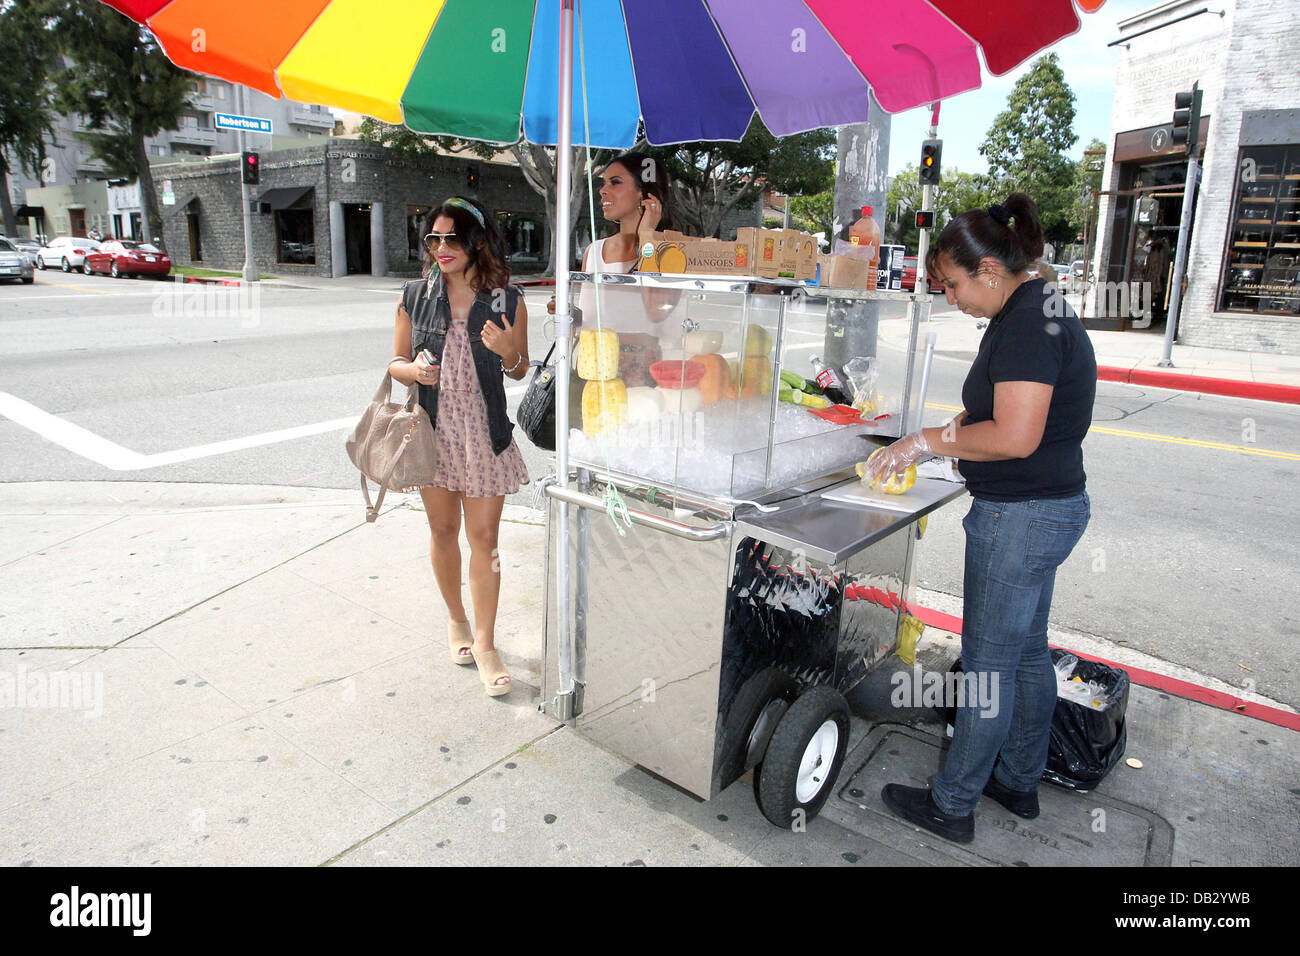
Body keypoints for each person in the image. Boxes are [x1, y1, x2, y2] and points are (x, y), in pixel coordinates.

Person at [867, 193, 1096, 843]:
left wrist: (924, 444)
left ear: (990, 270)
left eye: (954, 284)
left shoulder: (1026, 322)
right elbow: (1003, 416)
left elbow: (1017, 435)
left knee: (991, 666)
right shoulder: (1040, 304)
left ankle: (953, 803)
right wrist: (943, 434)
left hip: (1021, 518)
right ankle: (1018, 780)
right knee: (1025, 656)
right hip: (1051, 508)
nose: (951, 298)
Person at [388, 196, 530, 698]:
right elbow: (395, 363)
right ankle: (456, 621)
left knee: (485, 540)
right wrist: (415, 372)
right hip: (433, 430)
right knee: (443, 529)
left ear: (475, 242)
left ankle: (488, 643)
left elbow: (519, 368)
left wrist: (508, 351)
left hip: (484, 432)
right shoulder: (413, 295)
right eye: (434, 239)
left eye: (452, 238)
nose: (441, 248)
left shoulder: (507, 301)